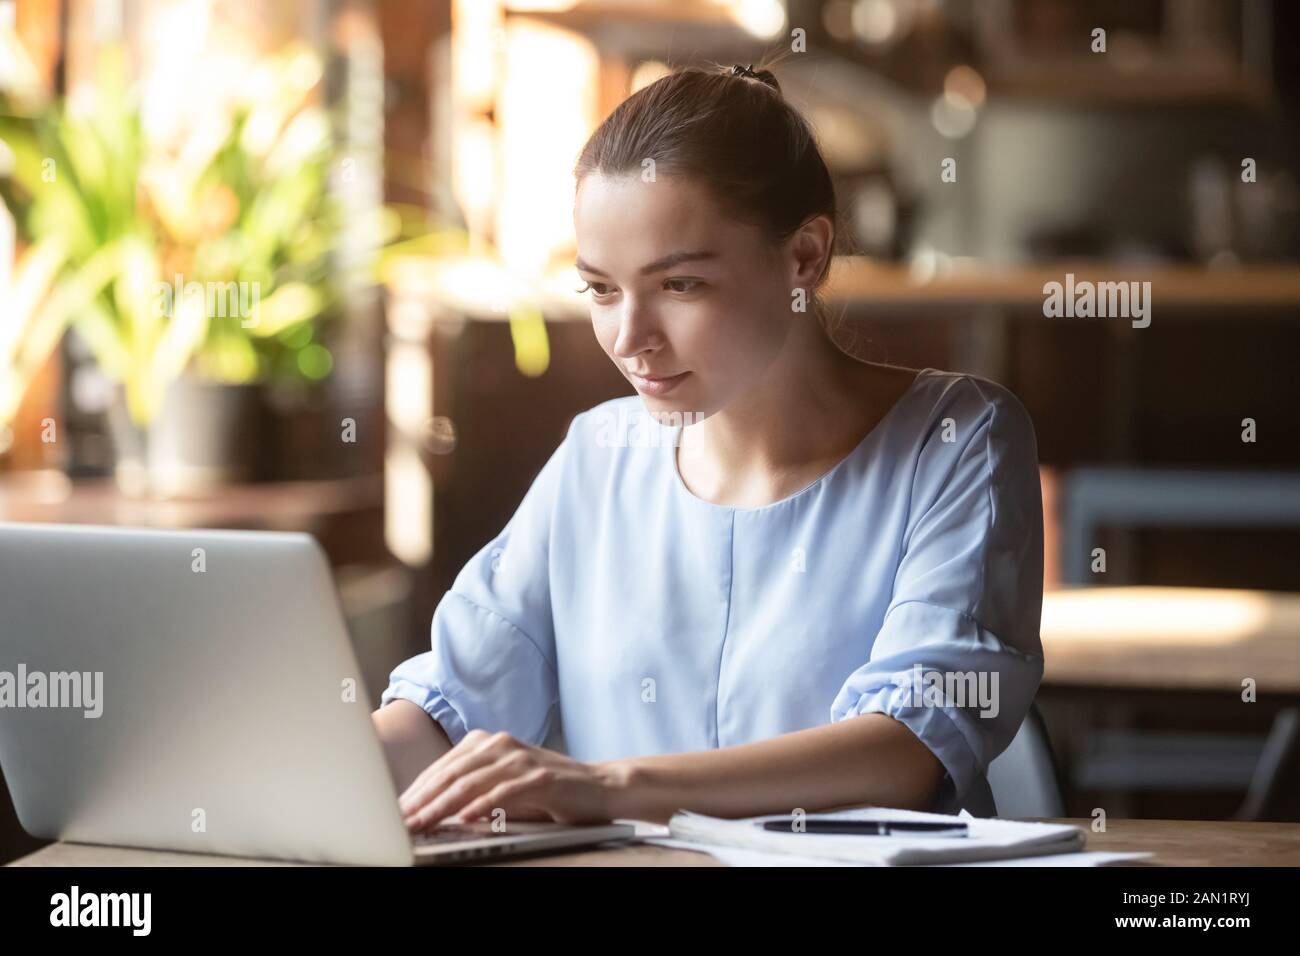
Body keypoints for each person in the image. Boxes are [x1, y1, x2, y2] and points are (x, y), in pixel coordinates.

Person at [373, 61, 1044, 832]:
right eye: (599, 288)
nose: (630, 339)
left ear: (804, 258)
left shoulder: (958, 440)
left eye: (680, 285)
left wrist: (606, 787)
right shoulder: (599, 455)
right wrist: (311, 771)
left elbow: (905, 750)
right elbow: (448, 708)